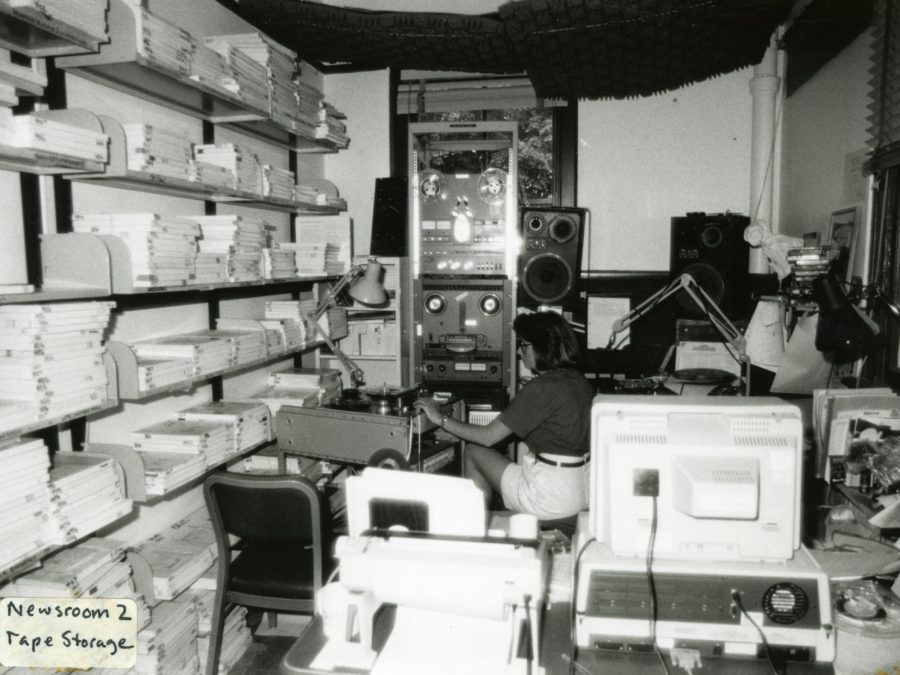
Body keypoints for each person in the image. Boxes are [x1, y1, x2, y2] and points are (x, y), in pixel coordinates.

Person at [414, 311, 594, 521]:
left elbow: (487, 437)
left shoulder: (543, 388)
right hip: (581, 490)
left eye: (524, 345)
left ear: (543, 347)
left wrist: (439, 418)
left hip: (551, 498)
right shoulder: (578, 381)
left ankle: (473, 525)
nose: (519, 351)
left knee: (474, 452)